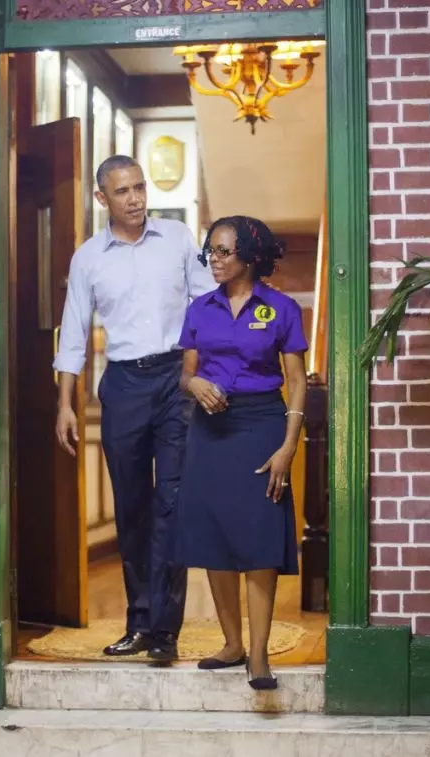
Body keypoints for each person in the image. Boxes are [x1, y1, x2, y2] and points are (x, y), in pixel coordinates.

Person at [54, 155, 216, 662]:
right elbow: (74, 332)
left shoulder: (178, 237)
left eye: (140, 188)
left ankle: (164, 633)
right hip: (122, 384)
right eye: (123, 192)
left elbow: (206, 304)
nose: (136, 199)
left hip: (174, 379)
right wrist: (65, 403)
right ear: (102, 198)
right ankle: (139, 621)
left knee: (170, 503)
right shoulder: (88, 258)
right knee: (132, 509)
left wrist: (196, 374)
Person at [176, 216, 308, 690]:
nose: (214, 259)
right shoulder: (200, 309)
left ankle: (258, 656)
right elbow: (185, 373)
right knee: (214, 534)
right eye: (210, 251)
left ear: (249, 256)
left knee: (257, 540)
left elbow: (295, 382)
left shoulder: (282, 309)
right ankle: (231, 643)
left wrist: (288, 447)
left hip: (261, 427)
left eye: (224, 251)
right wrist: (196, 384)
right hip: (210, 431)